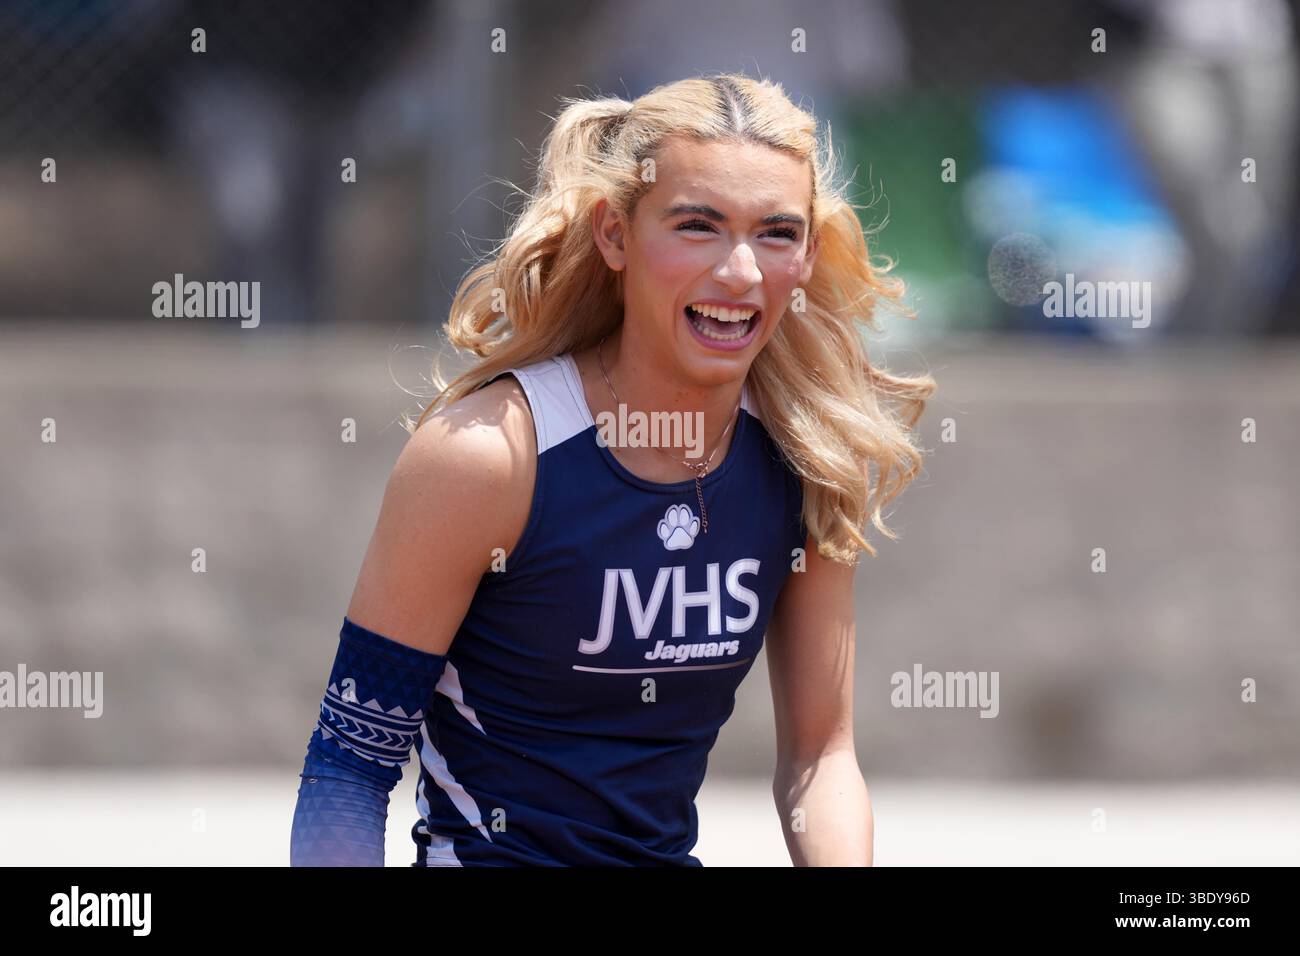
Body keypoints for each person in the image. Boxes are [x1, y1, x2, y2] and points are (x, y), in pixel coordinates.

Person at [290, 72, 934, 867]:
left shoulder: (810, 460)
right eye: (698, 225)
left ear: (806, 255)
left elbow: (820, 760)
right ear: (615, 235)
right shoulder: (489, 457)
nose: (740, 272)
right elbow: (349, 766)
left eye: (776, 232)